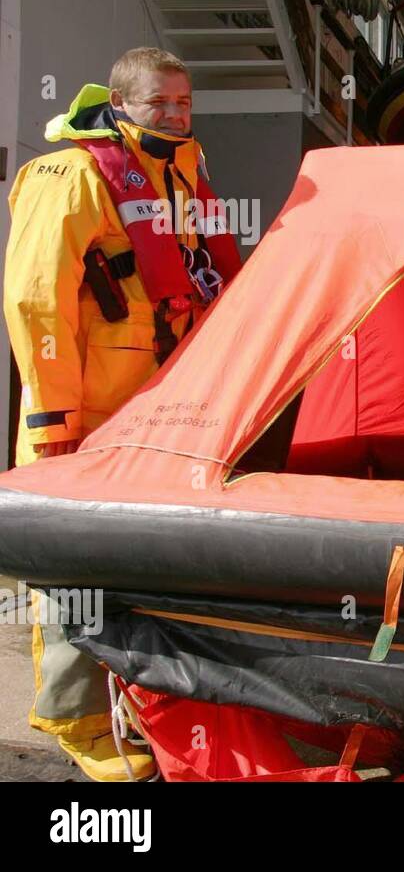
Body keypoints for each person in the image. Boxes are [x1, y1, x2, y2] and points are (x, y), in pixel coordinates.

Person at [3, 47, 242, 780]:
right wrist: (53, 420)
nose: (176, 114)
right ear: (119, 100)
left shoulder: (187, 172)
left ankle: (137, 703)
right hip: (84, 416)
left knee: (142, 568)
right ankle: (72, 716)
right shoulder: (69, 175)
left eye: (185, 103)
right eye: (160, 103)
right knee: (72, 570)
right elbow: (37, 297)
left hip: (163, 412)